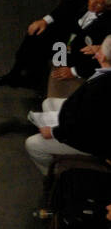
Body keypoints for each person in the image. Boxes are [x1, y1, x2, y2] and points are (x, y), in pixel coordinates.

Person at [0, 0, 110, 88]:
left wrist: (74, 71)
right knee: (36, 33)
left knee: (46, 49)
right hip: (65, 40)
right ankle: (15, 74)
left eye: (98, 4)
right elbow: (68, 6)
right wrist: (44, 21)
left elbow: (105, 59)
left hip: (73, 56)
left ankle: (35, 79)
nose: (91, 4)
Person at [24, 36, 111, 172]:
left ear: (101, 56)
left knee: (32, 144)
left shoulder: (99, 89)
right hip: (84, 118)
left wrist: (53, 132)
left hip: (93, 140)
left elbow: (82, 126)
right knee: (49, 103)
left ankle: (53, 176)